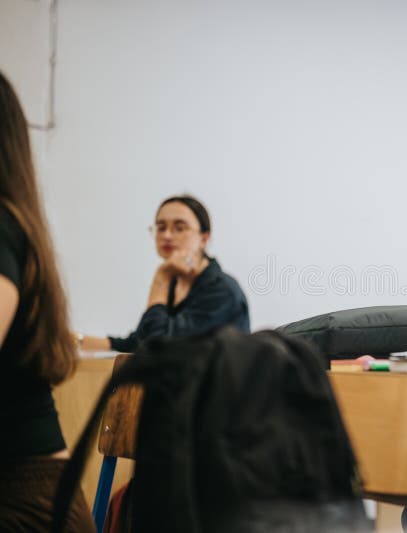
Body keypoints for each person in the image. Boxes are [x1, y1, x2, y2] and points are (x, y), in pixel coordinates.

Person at [0, 71, 94, 531]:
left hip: (30, 504)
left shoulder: (1, 226)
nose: (167, 237)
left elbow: (147, 339)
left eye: (178, 226)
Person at [78, 195, 250, 352]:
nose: (167, 235)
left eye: (179, 228)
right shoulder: (174, 286)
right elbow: (138, 342)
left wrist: (161, 277)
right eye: (161, 228)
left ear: (204, 239)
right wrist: (75, 341)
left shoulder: (222, 290)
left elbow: (158, 349)